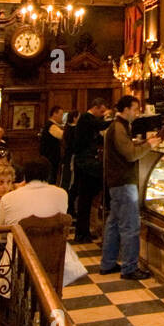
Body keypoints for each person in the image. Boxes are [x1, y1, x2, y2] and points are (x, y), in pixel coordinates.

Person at [99, 95, 161, 279]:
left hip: (117, 182)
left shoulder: (119, 126)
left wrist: (142, 143)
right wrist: (148, 145)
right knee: (130, 226)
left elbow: (128, 148)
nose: (137, 112)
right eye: (135, 108)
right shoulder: (118, 128)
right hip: (124, 182)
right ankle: (129, 268)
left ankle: (108, 263)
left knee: (113, 223)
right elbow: (131, 155)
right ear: (125, 109)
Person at [68, 99, 106, 243]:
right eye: (101, 111)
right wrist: (118, 119)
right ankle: (82, 234)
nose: (102, 115)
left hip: (84, 164)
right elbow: (101, 125)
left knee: (85, 199)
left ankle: (83, 232)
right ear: (95, 108)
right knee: (85, 199)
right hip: (84, 165)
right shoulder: (86, 118)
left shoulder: (88, 120)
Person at [0, 157, 67, 226]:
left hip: (19, 238)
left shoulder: (8, 198)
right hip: (53, 238)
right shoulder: (62, 194)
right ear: (49, 175)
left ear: (25, 177)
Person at [39, 106, 65, 184]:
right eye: (61, 115)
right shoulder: (52, 126)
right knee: (51, 177)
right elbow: (62, 136)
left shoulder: (51, 125)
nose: (62, 117)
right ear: (54, 114)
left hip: (48, 156)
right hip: (50, 157)